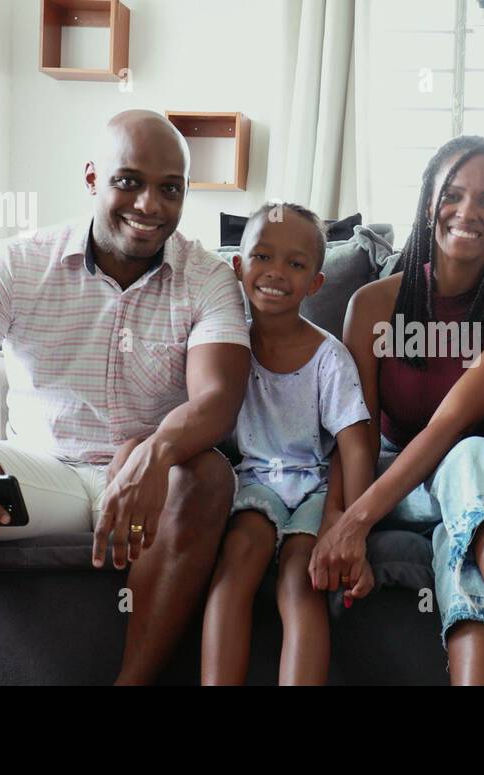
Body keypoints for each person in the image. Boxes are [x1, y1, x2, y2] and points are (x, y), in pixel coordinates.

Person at [0, 109, 251, 685]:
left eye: (170, 189)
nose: (150, 205)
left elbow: (218, 400)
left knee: (208, 476)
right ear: (92, 178)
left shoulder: (208, 279)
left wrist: (154, 453)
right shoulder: (19, 261)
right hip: (39, 479)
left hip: (151, 490)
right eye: (129, 181)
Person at [309, 135, 484, 685]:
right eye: (453, 194)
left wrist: (358, 521)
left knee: (470, 465)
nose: (468, 212)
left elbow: (451, 423)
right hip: (394, 479)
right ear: (429, 202)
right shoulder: (373, 304)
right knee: (461, 474)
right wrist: (344, 522)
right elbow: (355, 431)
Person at [201, 202, 375, 685]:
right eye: (262, 257)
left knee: (300, 583)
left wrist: (348, 525)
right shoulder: (225, 347)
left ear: (315, 283)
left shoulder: (328, 357)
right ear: (238, 266)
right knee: (236, 566)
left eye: (296, 264)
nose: (276, 273)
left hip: (317, 489)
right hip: (255, 483)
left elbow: (356, 444)